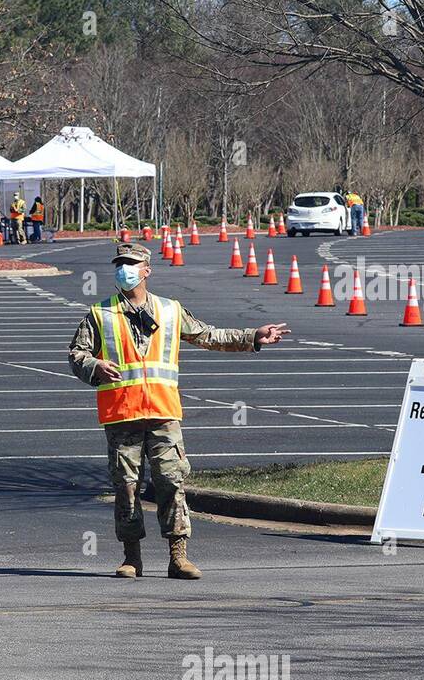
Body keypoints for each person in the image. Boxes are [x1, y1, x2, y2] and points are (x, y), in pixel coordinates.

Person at [67, 243, 290, 579]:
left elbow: (209, 335)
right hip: (122, 414)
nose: (123, 270)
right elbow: (77, 354)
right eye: (119, 264)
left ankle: (178, 556)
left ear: (146, 270)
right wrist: (94, 366)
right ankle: (132, 557)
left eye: (131, 264)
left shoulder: (170, 311)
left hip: (162, 413)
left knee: (171, 481)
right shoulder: (100, 314)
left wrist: (253, 337)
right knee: (126, 486)